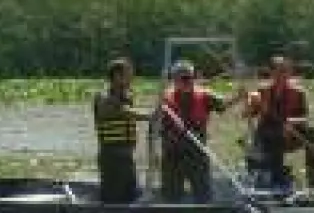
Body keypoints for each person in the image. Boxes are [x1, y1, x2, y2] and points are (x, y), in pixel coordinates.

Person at [156, 60, 228, 203]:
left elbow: (223, 104)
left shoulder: (204, 95)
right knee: (171, 197)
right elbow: (157, 126)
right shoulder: (165, 98)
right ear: (175, 79)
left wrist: (239, 96)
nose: (188, 81)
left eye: (190, 77)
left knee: (203, 194)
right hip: (173, 156)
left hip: (197, 154)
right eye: (184, 78)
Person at [251, 55, 314, 191]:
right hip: (267, 137)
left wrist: (291, 122)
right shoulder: (261, 92)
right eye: (279, 71)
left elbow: (305, 117)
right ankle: (277, 176)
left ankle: (313, 174)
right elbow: (247, 114)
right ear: (272, 73)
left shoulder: (299, 93)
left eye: (285, 71)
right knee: (274, 134)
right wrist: (250, 102)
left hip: (291, 135)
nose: (282, 75)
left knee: (312, 132)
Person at [91, 58, 143, 204]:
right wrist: (149, 116)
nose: (132, 78)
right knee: (112, 198)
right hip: (111, 156)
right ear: (117, 76)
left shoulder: (128, 96)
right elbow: (121, 111)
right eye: (128, 74)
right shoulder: (103, 97)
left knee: (130, 195)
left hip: (127, 156)